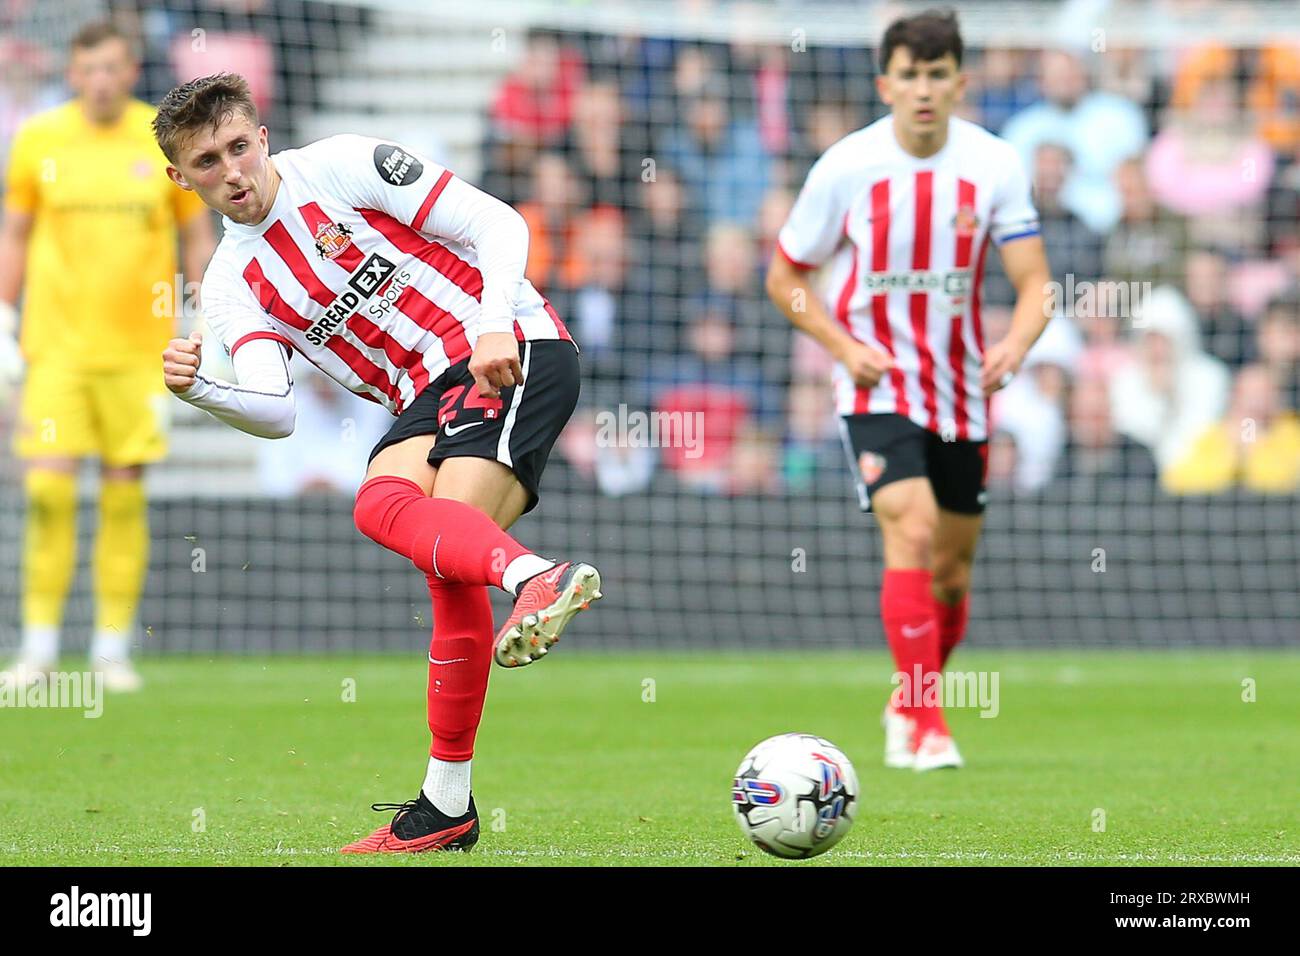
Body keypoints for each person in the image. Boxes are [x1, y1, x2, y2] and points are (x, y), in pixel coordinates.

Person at [152, 72, 601, 853]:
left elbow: (496, 222)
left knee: (452, 547)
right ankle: (446, 804)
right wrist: (203, 394)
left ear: (261, 137)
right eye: (205, 162)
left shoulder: (343, 164)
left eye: (236, 147)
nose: (230, 173)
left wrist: (495, 322)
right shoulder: (228, 285)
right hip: (426, 393)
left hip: (507, 345)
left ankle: (535, 579)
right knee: (390, 515)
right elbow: (276, 411)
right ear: (180, 178)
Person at [765, 10, 1051, 771]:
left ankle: (910, 695)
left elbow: (1036, 287)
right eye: (910, 75)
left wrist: (1016, 346)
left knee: (953, 571)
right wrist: (840, 345)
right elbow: (784, 277)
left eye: (937, 75)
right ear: (885, 82)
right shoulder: (845, 167)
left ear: (960, 83)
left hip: (961, 391)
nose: (923, 90)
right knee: (913, 532)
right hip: (876, 384)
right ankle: (925, 723)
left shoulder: (994, 165)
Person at [0, 22, 215, 692]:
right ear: (72, 72)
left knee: (124, 499)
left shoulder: (160, 138)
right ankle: (36, 650)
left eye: (112, 67)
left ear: (130, 72)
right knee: (46, 492)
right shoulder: (39, 138)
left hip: (138, 355)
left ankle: (111, 650)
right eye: (88, 67)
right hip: (58, 349)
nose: (100, 79)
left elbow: (196, 236)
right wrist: (3, 316)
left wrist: (205, 316)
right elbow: (15, 231)